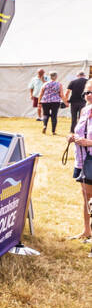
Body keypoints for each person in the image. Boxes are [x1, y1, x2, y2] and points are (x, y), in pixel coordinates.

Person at [68, 90, 92, 242]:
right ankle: (86, 231)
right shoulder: (84, 110)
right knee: (87, 196)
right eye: (87, 91)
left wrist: (89, 142)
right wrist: (72, 137)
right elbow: (78, 131)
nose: (88, 95)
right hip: (84, 160)